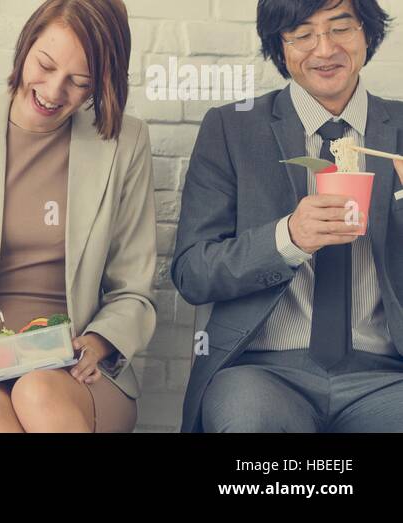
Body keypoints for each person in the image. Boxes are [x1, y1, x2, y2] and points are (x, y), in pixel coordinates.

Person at [0, 0, 155, 433]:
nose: (54, 91)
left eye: (80, 83)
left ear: (100, 86)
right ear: (26, 46)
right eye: (45, 65)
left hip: (76, 362)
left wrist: (99, 342)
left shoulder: (126, 142)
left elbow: (133, 289)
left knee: (37, 392)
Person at [175, 0, 403, 433]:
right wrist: (288, 239)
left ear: (367, 34)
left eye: (340, 28)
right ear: (279, 46)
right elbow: (192, 273)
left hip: (387, 376)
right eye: (302, 34)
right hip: (262, 372)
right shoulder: (232, 129)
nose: (324, 49)